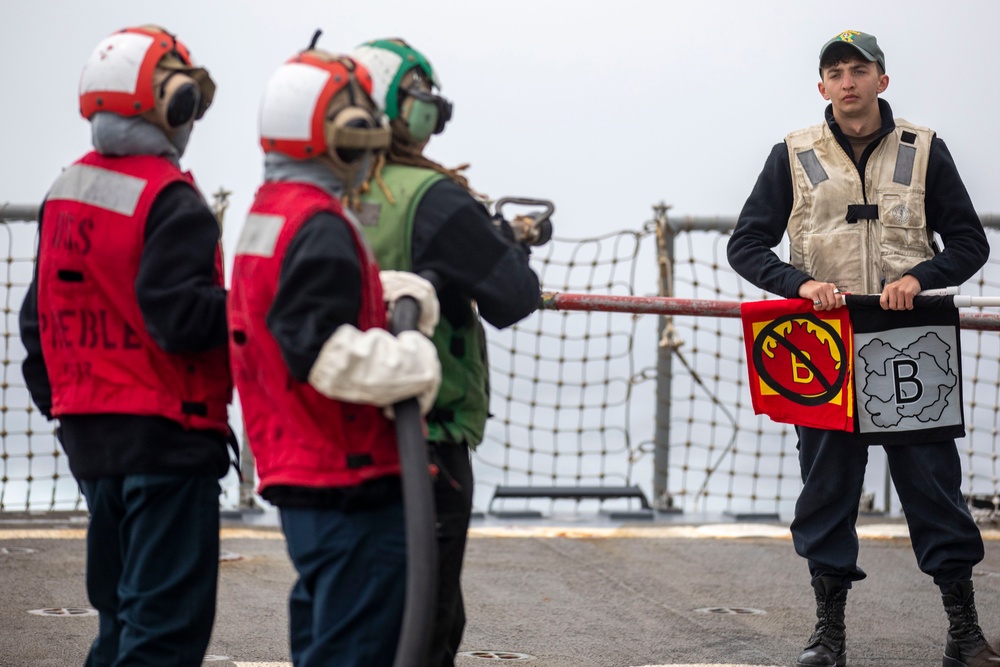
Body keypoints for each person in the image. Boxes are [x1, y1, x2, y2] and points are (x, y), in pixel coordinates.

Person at [727, 29, 999, 667]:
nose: (847, 81)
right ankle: (829, 635)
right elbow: (746, 244)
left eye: (859, 69)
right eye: (835, 72)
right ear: (821, 87)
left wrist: (919, 279)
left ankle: (965, 633)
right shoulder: (791, 154)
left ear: (883, 79)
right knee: (825, 489)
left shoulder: (926, 150)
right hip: (824, 340)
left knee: (934, 486)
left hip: (911, 337)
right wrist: (800, 284)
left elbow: (968, 243)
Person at [19, 25, 232, 666]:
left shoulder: (64, 192)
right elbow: (180, 319)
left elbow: (36, 325)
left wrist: (68, 410)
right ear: (173, 107)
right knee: (164, 630)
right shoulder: (173, 201)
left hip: (90, 440)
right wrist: (252, 304)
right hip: (167, 440)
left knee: (118, 622)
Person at [227, 43, 442, 667]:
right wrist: (412, 363)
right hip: (347, 479)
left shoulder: (271, 213)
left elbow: (281, 302)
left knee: (325, 641)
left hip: (301, 470)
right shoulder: (320, 222)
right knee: (360, 647)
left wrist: (383, 291)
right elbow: (314, 345)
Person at [350, 38, 543, 667]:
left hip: (334, 433)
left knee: (354, 615)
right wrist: (509, 243)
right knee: (425, 625)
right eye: (422, 99)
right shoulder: (432, 197)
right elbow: (512, 297)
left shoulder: (323, 190)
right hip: (421, 439)